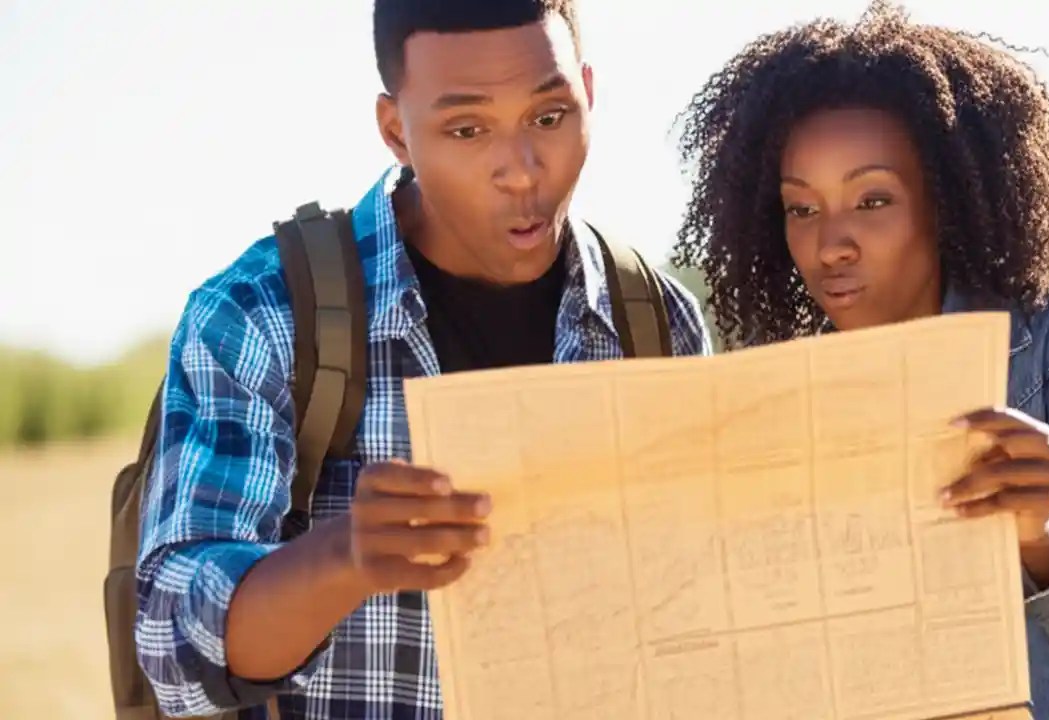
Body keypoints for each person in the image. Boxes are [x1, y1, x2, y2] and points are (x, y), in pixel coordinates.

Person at [133, 1, 713, 717]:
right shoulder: (262, 314)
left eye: (550, 116)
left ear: (588, 93)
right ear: (394, 131)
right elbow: (171, 647)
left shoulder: (658, 328)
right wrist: (343, 558)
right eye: (467, 130)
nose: (522, 170)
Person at [670, 2, 1049, 718]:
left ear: (946, 202)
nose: (830, 243)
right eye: (800, 209)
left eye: (872, 200)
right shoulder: (779, 401)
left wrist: (1043, 534)